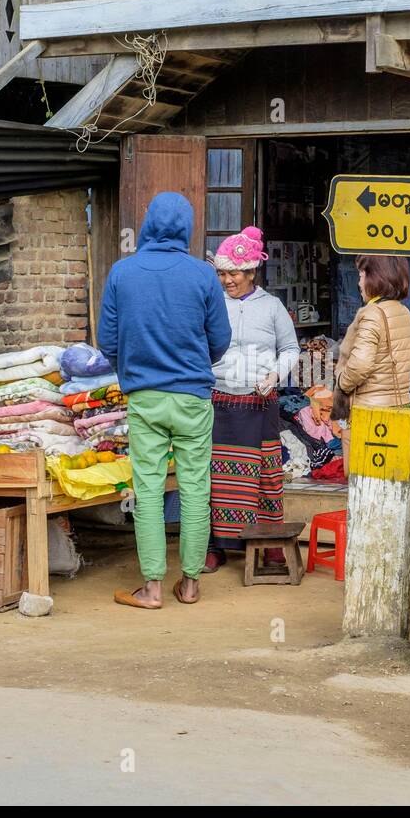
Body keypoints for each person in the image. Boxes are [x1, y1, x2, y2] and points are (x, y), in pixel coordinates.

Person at [99, 192, 230, 609]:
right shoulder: (203, 275)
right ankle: (190, 585)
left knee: (149, 490)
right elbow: (220, 341)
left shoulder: (122, 273)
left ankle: (152, 589)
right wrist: (192, 362)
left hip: (145, 398)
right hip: (193, 397)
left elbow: (107, 341)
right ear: (186, 228)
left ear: (149, 223)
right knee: (195, 488)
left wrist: (134, 369)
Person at [203, 226, 299, 573]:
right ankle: (217, 546)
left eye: (233, 274)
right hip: (219, 400)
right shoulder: (213, 304)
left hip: (260, 403)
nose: (227, 280)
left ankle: (270, 543)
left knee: (266, 475)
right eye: (222, 273)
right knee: (217, 475)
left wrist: (274, 374)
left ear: (251, 272)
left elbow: (290, 349)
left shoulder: (272, 307)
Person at [332, 255, 410, 416]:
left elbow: (360, 365)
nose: (359, 284)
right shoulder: (403, 311)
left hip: (373, 410)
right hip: (402, 405)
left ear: (373, 279)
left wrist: (341, 382)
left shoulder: (372, 314)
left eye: (361, 276)